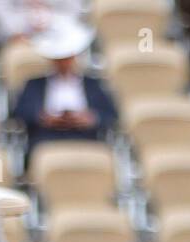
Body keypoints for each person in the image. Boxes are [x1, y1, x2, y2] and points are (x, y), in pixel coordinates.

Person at [12, 20, 118, 165]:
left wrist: (90, 118)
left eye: (67, 58)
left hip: (85, 139)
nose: (64, 63)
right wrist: (43, 117)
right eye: (59, 59)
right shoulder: (34, 84)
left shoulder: (92, 84)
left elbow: (110, 114)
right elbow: (19, 113)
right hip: (46, 138)